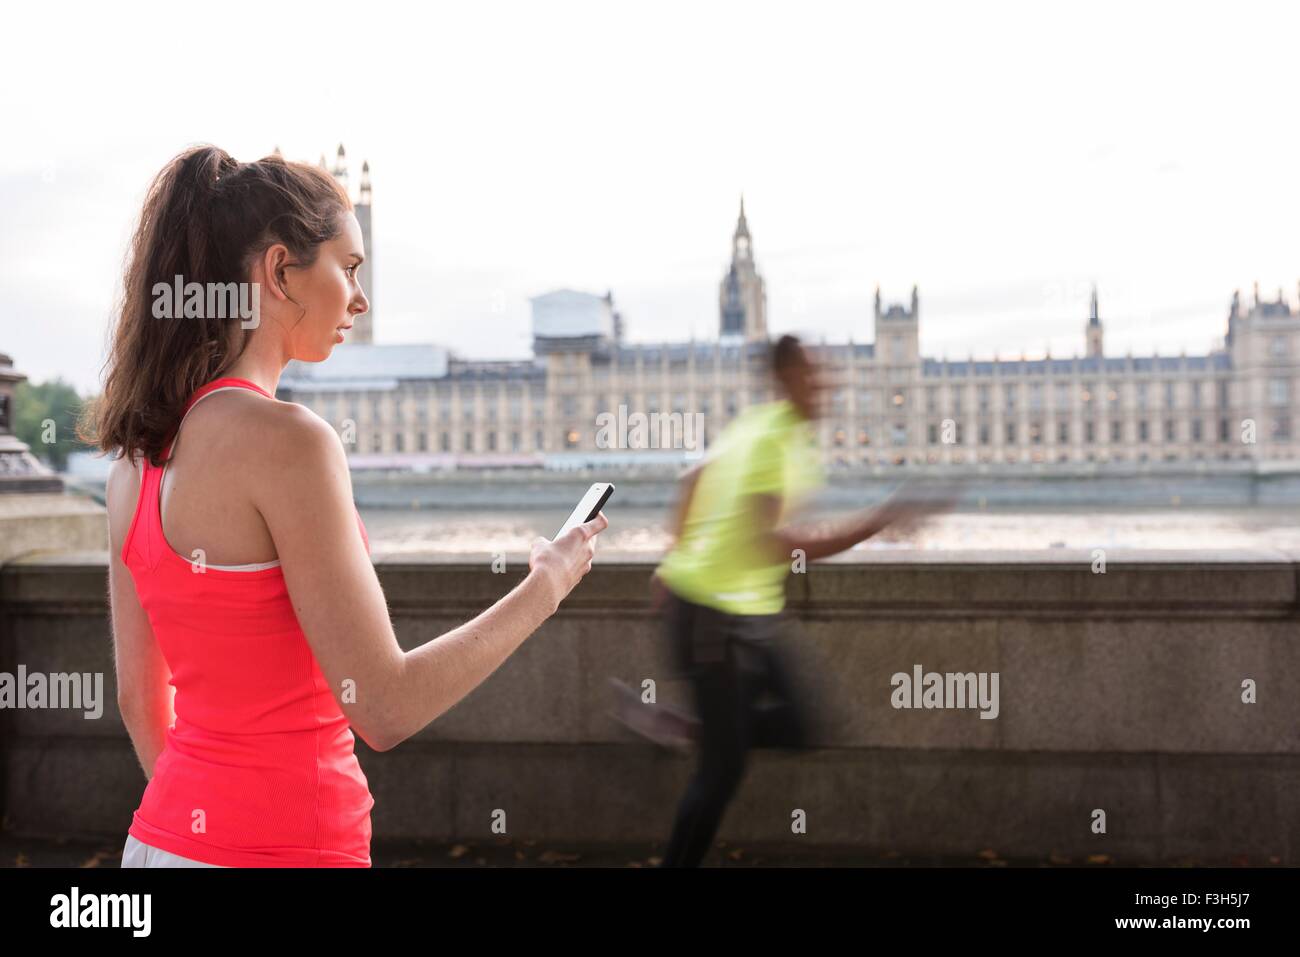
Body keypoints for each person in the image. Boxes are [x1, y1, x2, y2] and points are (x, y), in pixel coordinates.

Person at [83, 145, 607, 867]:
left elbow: (142, 704)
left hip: (159, 842)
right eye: (349, 268)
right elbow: (385, 707)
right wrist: (544, 585)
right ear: (278, 271)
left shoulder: (132, 465)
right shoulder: (291, 443)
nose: (360, 299)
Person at [639, 334, 945, 867]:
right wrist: (875, 523)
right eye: (812, 373)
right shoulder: (768, 442)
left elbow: (693, 479)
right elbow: (771, 542)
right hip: (710, 617)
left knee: (806, 725)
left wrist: (672, 553)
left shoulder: (767, 427)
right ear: (785, 378)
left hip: (746, 614)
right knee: (723, 771)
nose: (825, 383)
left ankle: (698, 729)